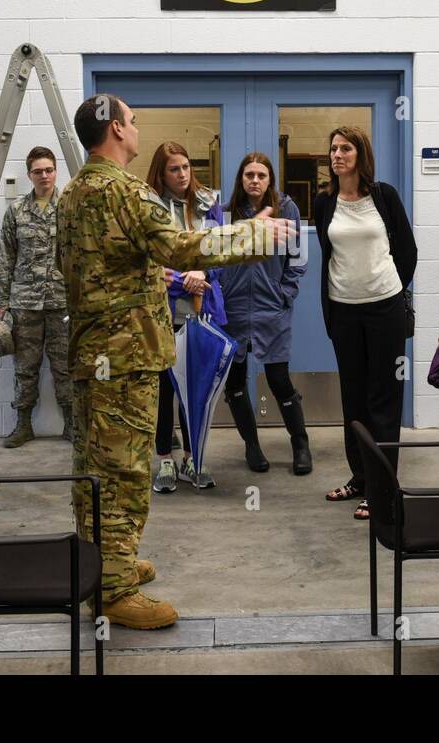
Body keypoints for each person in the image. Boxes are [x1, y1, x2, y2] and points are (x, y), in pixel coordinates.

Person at [56, 93, 294, 629]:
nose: (137, 129)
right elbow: (181, 247)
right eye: (133, 121)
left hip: (95, 355)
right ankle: (114, 592)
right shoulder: (124, 191)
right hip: (125, 357)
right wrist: (258, 233)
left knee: (93, 468)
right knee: (125, 472)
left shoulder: (74, 192)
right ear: (115, 128)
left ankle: (104, 566)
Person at [314, 127, 416, 521]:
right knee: (353, 399)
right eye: (333, 148)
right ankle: (360, 478)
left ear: (361, 155)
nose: (337, 154)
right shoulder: (326, 202)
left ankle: (382, 488)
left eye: (346, 148)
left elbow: (406, 250)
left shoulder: (384, 196)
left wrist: (387, 286)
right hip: (343, 311)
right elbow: (328, 253)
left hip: (385, 311)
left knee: (384, 401)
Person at [218, 152, 312, 476]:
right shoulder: (227, 213)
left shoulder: (288, 209)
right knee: (235, 381)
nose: (254, 180)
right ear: (240, 179)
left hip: (271, 309)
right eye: (249, 175)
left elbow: (298, 260)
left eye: (261, 175)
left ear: (270, 178)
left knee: (278, 378)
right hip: (233, 311)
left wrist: (285, 294)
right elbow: (212, 257)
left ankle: (300, 444)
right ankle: (252, 446)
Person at [146, 142, 224, 493]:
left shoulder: (209, 203)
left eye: (185, 167)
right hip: (161, 314)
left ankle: (193, 457)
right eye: (173, 169)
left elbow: (221, 252)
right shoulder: (149, 207)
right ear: (161, 174)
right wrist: (182, 279)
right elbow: (150, 263)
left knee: (196, 386)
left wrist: (202, 276)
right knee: (164, 390)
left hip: (200, 310)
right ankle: (164, 460)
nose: (182, 175)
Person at [0, 146, 72, 448]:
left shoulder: (69, 208)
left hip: (61, 301)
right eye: (38, 171)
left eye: (49, 170)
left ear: (56, 172)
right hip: (24, 302)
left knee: (65, 365)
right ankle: (23, 425)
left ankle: (71, 424)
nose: (44, 176)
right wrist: (1, 301)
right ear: (30, 175)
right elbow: (5, 258)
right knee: (25, 367)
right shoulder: (16, 212)